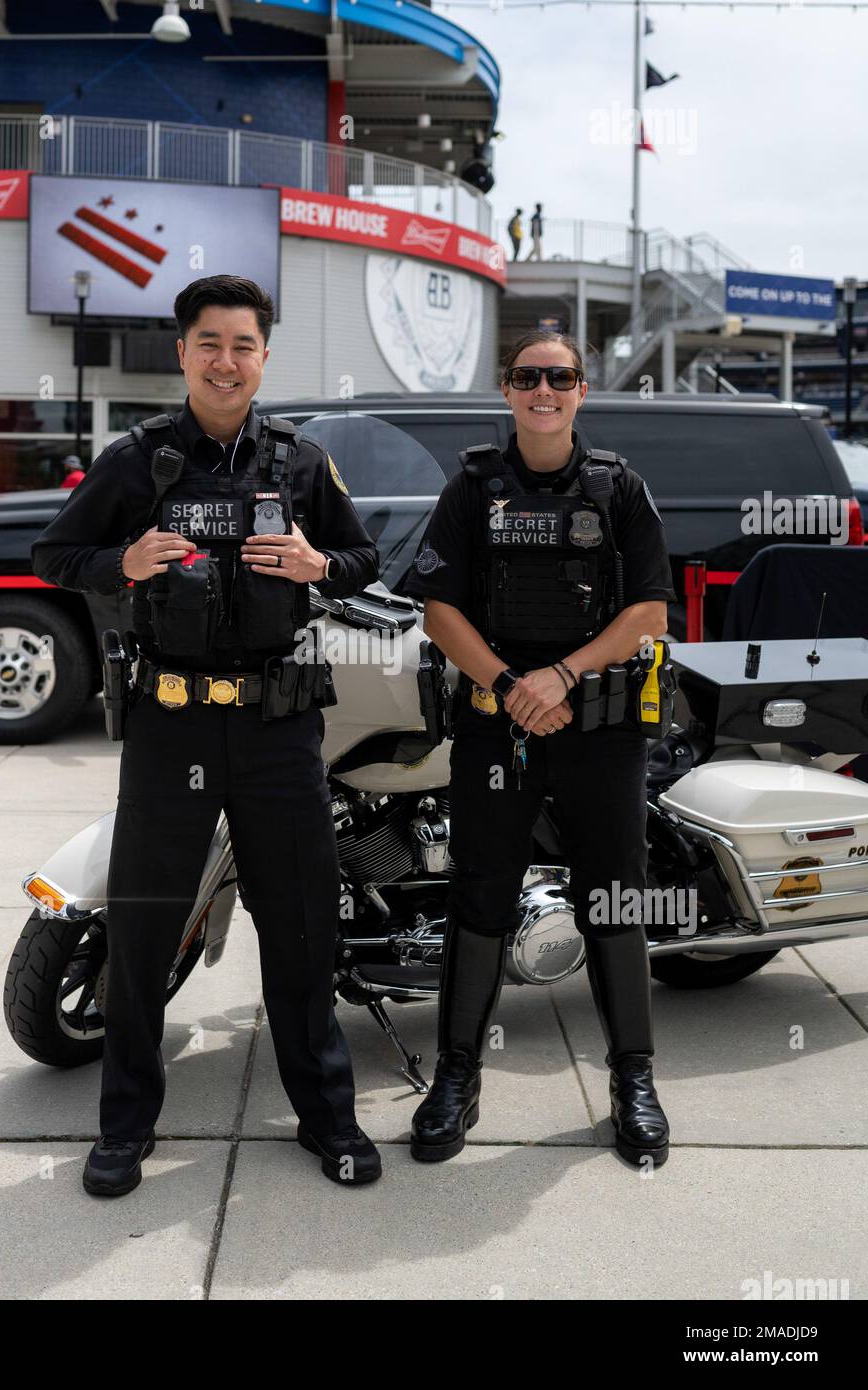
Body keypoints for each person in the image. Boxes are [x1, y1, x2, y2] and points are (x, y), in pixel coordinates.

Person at [31, 274, 382, 1196]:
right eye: (210, 344)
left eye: (245, 345)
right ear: (182, 352)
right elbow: (54, 554)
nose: (227, 361)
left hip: (278, 729)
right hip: (172, 727)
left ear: (264, 357)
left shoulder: (301, 463)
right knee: (144, 930)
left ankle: (327, 1115)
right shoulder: (137, 459)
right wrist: (121, 561)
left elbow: (360, 559)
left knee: (303, 931)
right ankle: (124, 1129)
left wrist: (317, 563)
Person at [402, 329, 675, 1168]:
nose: (543, 390)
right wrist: (511, 688)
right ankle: (456, 1077)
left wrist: (557, 677)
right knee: (480, 896)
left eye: (559, 377)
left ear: (581, 391)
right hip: (496, 725)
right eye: (528, 377)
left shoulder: (618, 488)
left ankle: (634, 1079)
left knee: (613, 898)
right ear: (509, 389)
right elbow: (438, 607)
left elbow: (650, 613)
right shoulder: (473, 487)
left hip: (600, 729)